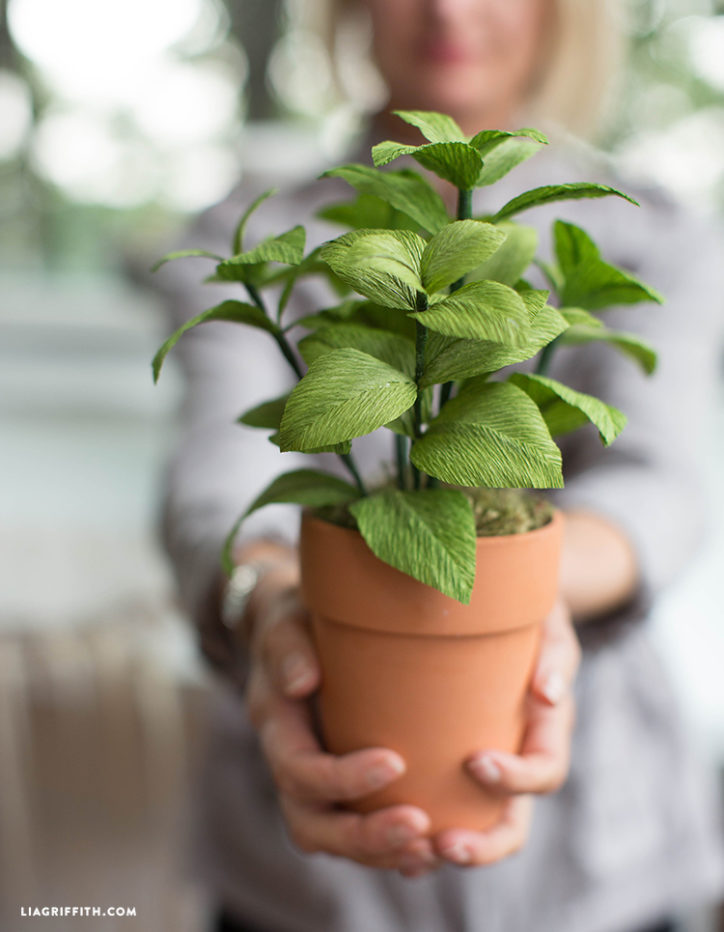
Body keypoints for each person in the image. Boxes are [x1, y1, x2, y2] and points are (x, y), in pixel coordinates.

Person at [154, 1, 724, 930]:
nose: (450, 7)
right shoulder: (251, 240)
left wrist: (516, 590)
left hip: (599, 854)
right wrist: (264, 608)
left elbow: (657, 486)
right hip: (301, 873)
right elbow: (220, 482)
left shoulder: (650, 233)